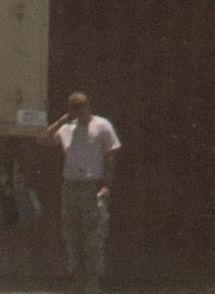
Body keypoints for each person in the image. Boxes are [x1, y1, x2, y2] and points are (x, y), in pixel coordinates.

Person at [55, 84, 122, 291]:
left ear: (88, 105)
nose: (79, 109)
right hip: (70, 188)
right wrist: (62, 120)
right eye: (74, 106)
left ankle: (92, 284)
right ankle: (77, 280)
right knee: (72, 235)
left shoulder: (102, 126)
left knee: (93, 236)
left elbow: (112, 155)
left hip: (91, 187)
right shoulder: (66, 129)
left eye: (82, 105)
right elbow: (43, 139)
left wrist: (107, 186)